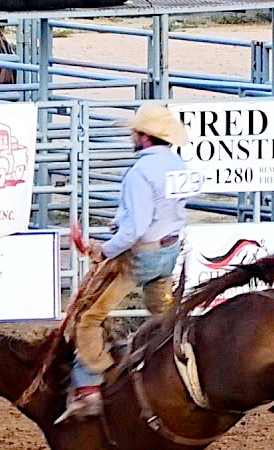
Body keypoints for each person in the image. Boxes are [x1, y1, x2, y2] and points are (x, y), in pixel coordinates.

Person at [56, 104, 191, 424]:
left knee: (89, 316)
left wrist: (104, 250)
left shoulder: (140, 174)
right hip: (169, 250)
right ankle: (180, 357)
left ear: (145, 137)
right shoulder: (179, 166)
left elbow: (135, 228)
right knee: (163, 310)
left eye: (135, 131)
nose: (132, 135)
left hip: (140, 256)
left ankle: (88, 387)